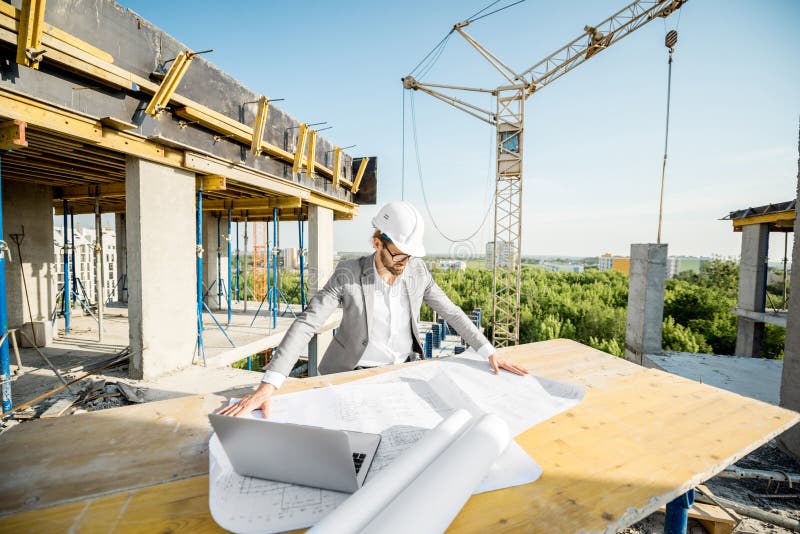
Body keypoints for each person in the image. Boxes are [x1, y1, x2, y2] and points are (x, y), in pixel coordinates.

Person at [220, 201, 527, 417]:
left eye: (409, 256)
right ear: (377, 242)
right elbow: (307, 323)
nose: (404, 264)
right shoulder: (348, 273)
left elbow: (452, 312)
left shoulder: (416, 272)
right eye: (398, 255)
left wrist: (488, 351)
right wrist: (269, 384)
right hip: (352, 373)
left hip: (402, 371)